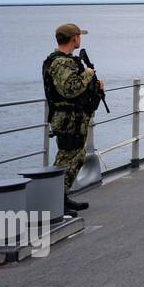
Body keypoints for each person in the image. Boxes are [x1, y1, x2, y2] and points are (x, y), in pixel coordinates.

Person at [42, 23, 103, 214]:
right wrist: (87, 74)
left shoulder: (68, 61)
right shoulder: (60, 63)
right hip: (66, 118)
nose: (80, 39)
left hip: (75, 117)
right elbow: (69, 89)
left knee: (77, 156)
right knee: (65, 158)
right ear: (74, 38)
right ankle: (53, 201)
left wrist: (95, 86)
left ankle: (62, 197)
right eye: (79, 36)